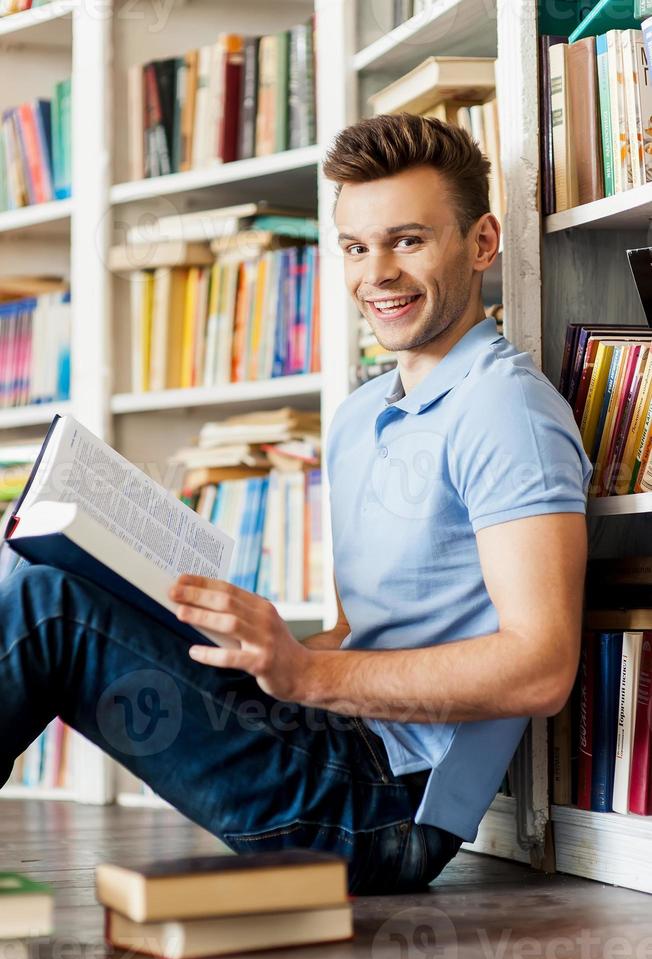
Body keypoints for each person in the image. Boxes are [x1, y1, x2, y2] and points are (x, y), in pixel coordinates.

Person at [0, 114, 591, 894]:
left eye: (408, 240)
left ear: (481, 243)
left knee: (50, 611)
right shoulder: (357, 417)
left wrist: (304, 673)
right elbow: (358, 633)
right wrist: (255, 653)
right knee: (52, 575)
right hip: (329, 737)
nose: (376, 272)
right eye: (355, 246)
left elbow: (540, 666)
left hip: (387, 809)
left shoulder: (506, 410)